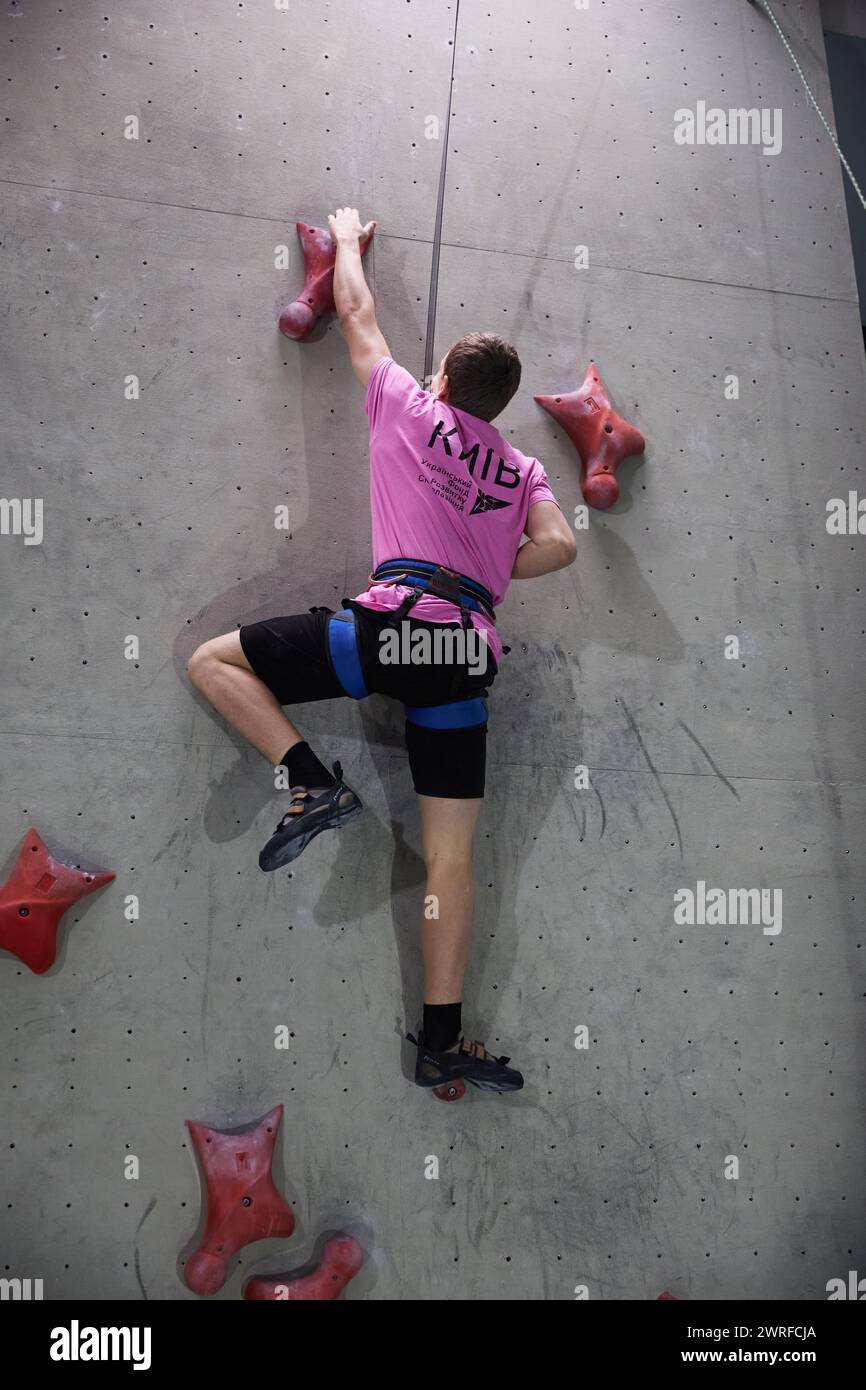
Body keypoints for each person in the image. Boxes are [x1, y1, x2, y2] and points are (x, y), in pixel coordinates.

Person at [188, 207, 576, 1095]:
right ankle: (444, 1040)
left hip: (396, 628)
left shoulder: (405, 405)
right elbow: (561, 548)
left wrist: (349, 241)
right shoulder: (521, 471)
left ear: (442, 380)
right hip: (467, 655)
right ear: (501, 408)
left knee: (215, 662)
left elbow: (358, 317)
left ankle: (312, 781)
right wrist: (488, 564)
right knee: (451, 860)